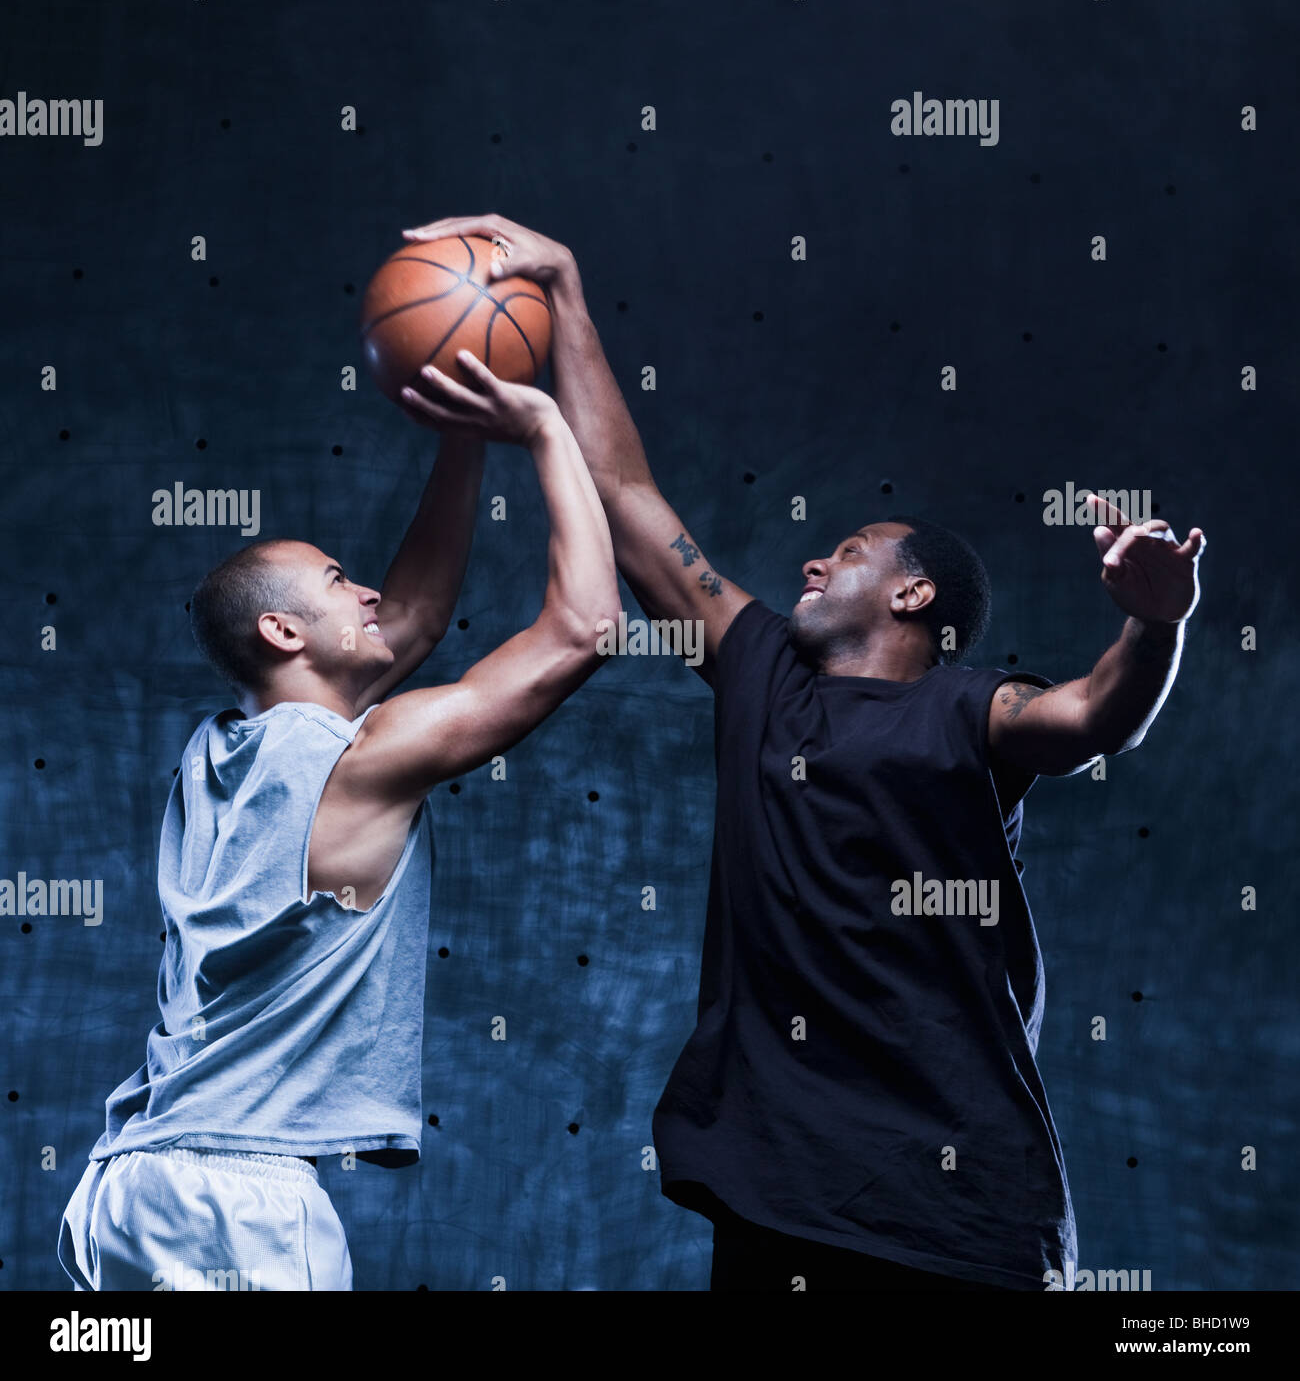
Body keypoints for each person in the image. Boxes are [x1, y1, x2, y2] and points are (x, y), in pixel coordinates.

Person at [400, 213, 1208, 1292]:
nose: (816, 559)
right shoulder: (760, 673)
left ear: (915, 595)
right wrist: (569, 295)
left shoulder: (973, 709)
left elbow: (1095, 717)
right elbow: (631, 497)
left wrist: (1155, 626)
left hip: (956, 1210)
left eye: (853, 550)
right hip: (783, 1197)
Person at [57, 351, 619, 1291]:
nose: (366, 594)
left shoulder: (222, 749)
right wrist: (542, 428)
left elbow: (417, 616)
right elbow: (584, 630)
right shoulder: (363, 763)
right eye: (337, 579)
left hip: (121, 1190)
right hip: (239, 1205)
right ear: (284, 633)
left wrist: (462, 438)